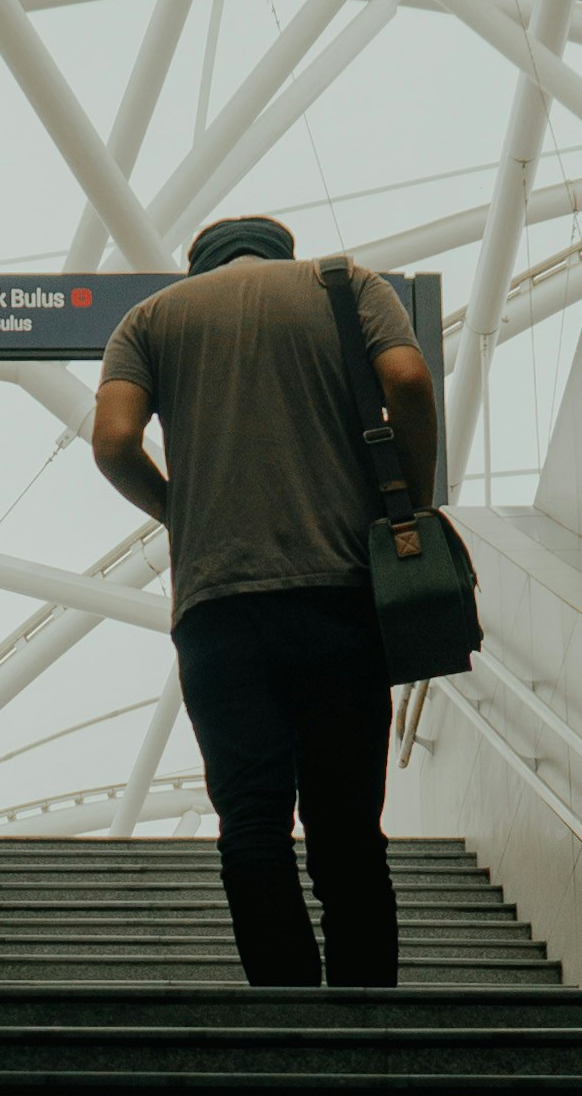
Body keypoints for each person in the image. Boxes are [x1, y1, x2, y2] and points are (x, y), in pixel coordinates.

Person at [90, 207, 435, 989]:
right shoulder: (346, 286)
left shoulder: (148, 320)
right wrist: (405, 504)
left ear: (198, 265)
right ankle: (366, 1023)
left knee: (251, 820)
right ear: (281, 252)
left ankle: (286, 1012)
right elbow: (408, 380)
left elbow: (112, 441)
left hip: (218, 608)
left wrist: (176, 507)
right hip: (340, 593)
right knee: (347, 829)